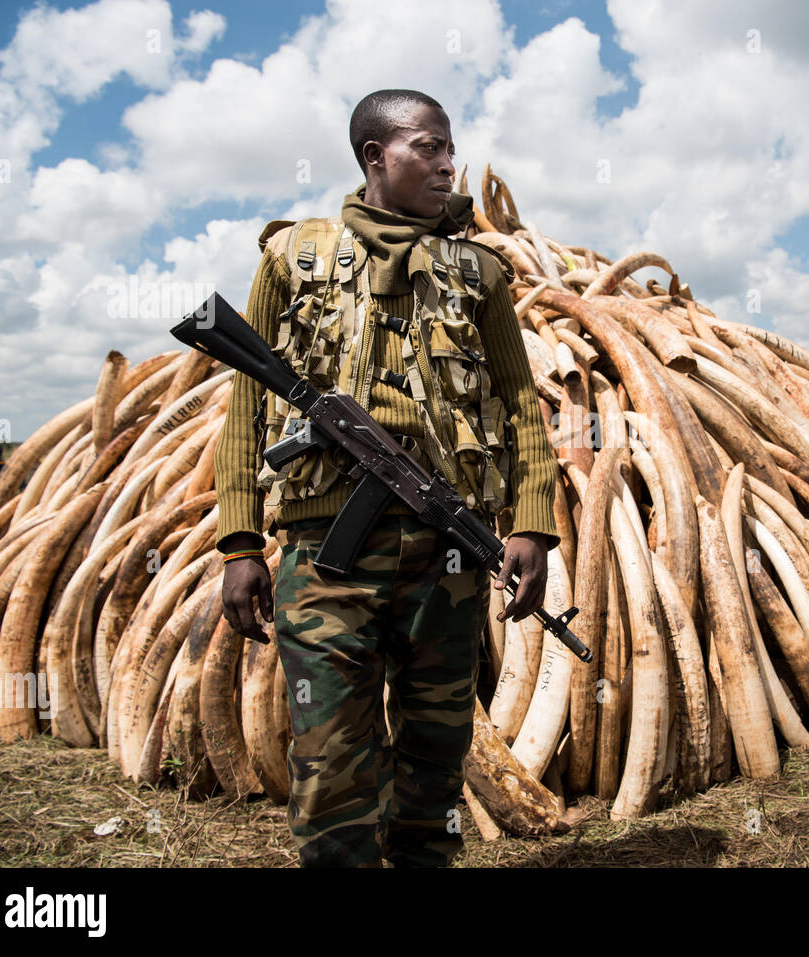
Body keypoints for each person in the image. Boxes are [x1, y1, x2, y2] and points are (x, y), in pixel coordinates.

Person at [213, 90, 559, 867]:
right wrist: (238, 541)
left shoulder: (478, 274)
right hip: (326, 556)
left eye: (450, 149)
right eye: (428, 148)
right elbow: (244, 408)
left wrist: (531, 523)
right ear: (376, 157)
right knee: (332, 762)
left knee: (435, 765)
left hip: (448, 559)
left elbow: (519, 407)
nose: (447, 164)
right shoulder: (294, 256)